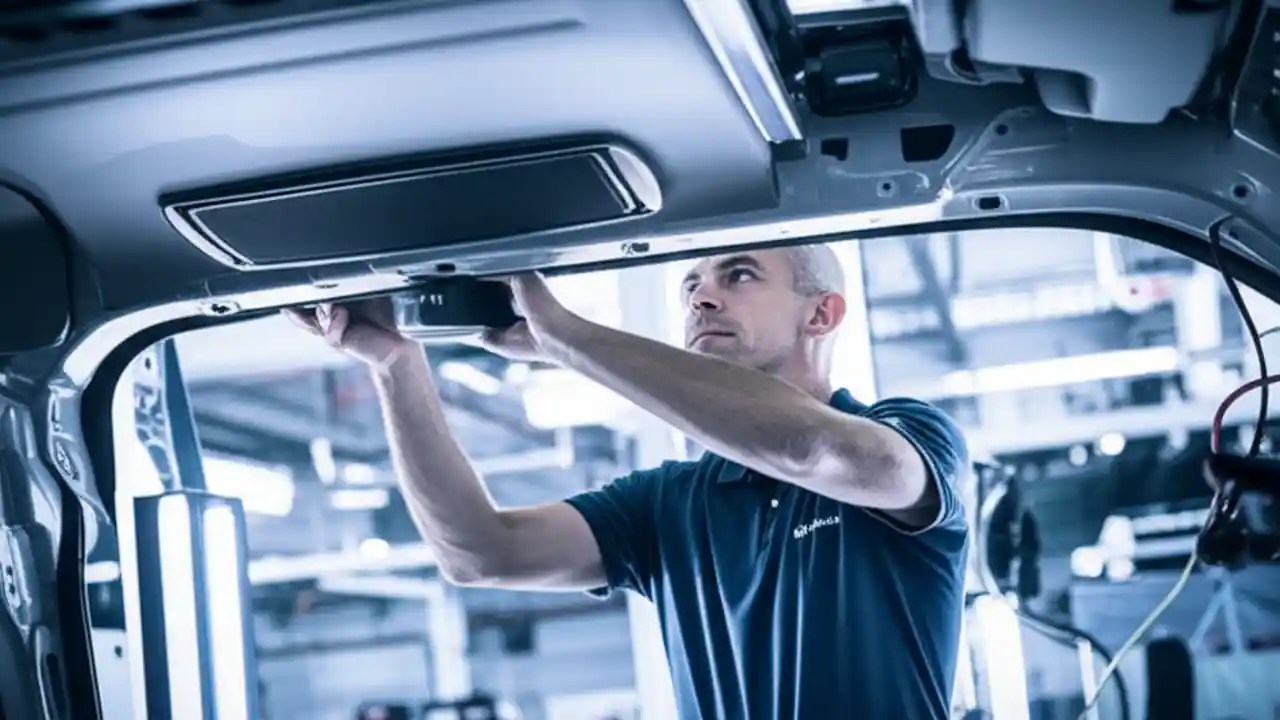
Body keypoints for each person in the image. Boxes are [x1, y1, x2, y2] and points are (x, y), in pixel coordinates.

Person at [286, 244, 970, 720]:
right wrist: (395, 365)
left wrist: (565, 336)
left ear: (820, 314)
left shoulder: (909, 436)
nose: (701, 295)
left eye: (738, 276)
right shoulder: (671, 503)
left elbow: (811, 448)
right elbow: (478, 552)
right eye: (691, 283)